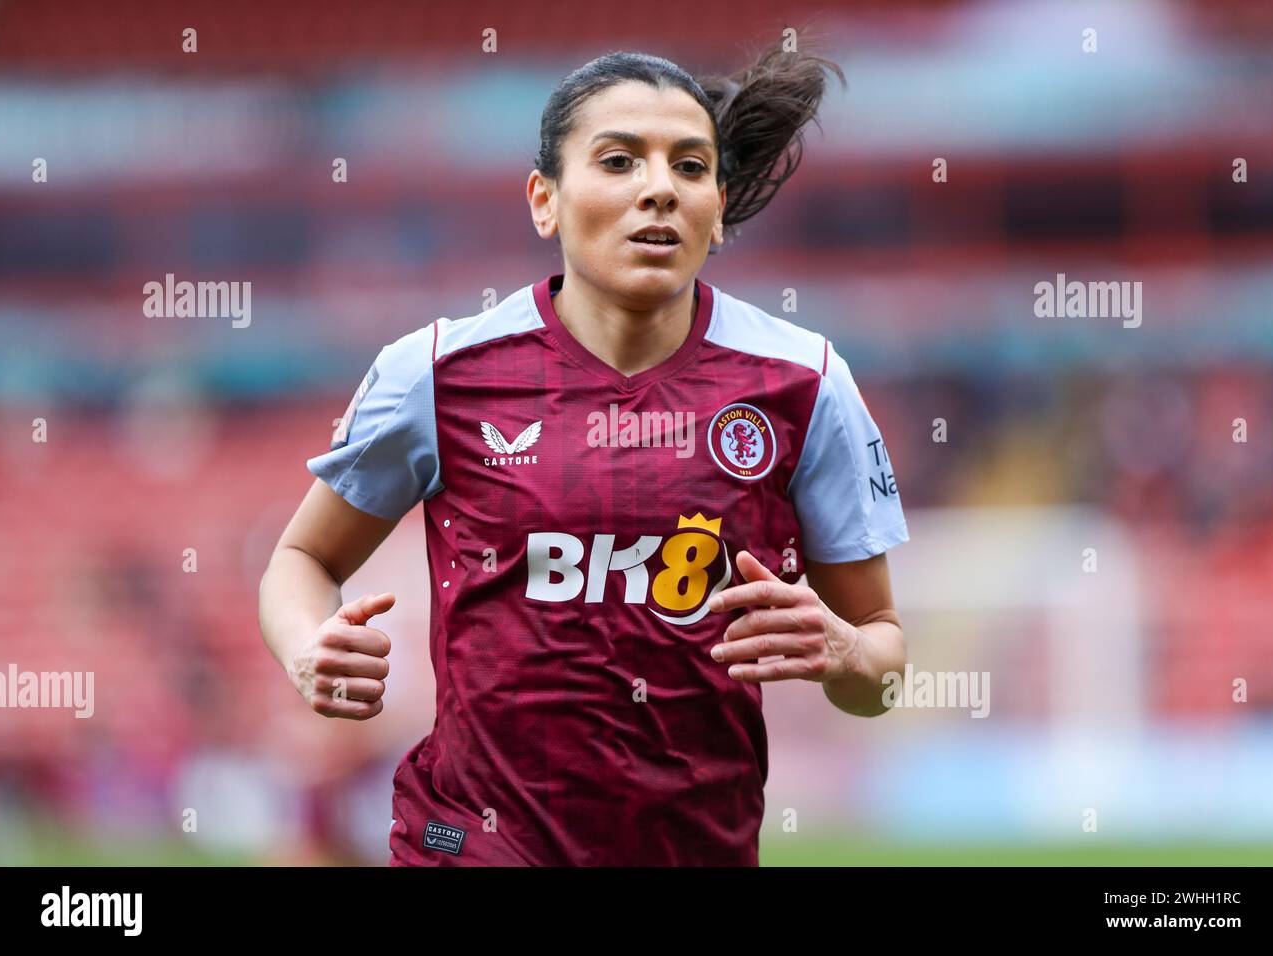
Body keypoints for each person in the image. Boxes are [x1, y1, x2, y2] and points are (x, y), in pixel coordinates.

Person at [259, 43, 910, 866]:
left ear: (715, 207)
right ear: (545, 201)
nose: (659, 188)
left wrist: (848, 653)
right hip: (466, 845)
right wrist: (306, 648)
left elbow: (881, 667)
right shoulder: (436, 374)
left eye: (690, 166)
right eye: (617, 161)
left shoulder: (804, 385)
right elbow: (302, 559)